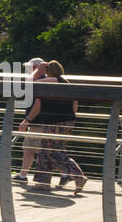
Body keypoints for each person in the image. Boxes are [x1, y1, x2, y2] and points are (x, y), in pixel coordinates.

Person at [23, 59, 86, 192]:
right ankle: (43, 183)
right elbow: (74, 106)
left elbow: (28, 84)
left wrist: (36, 71)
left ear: (47, 71)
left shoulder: (54, 81)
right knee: (45, 151)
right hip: (64, 121)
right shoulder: (65, 82)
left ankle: (77, 175)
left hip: (55, 122)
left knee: (51, 152)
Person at [14, 57, 47, 183]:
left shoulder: (42, 81)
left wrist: (27, 120)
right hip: (34, 121)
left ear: (37, 67)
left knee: (44, 152)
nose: (27, 70)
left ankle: (67, 174)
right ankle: (23, 175)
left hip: (41, 121)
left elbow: (38, 105)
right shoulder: (35, 80)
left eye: (30, 67)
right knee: (28, 149)